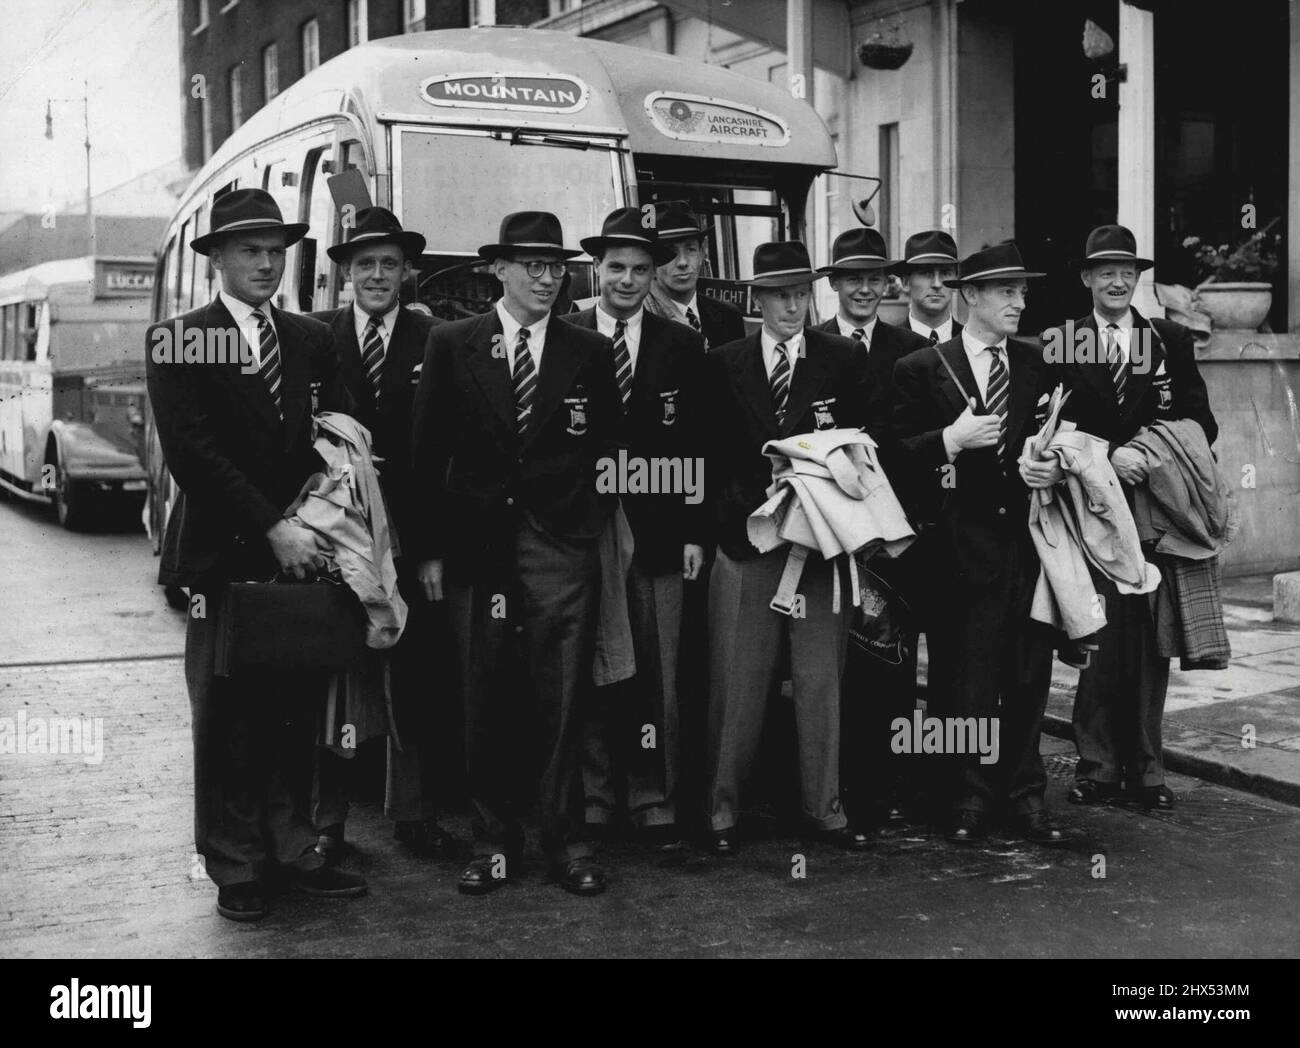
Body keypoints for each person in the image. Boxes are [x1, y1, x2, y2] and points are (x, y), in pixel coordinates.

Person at [145, 188, 365, 921]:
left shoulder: (310, 338)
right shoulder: (183, 338)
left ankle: (294, 847)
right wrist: (274, 526)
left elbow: (337, 435)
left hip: (302, 553)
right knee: (226, 713)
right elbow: (196, 455)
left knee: (292, 709)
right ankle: (235, 864)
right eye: (250, 251)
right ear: (217, 261)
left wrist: (312, 520)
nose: (267, 263)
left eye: (276, 251)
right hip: (223, 555)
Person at [410, 211, 621, 896]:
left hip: (561, 546)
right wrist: (431, 553)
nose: (545, 276)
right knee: (484, 698)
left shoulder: (586, 349)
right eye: (529, 264)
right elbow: (426, 456)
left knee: (563, 700)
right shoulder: (452, 343)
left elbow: (608, 450)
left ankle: (568, 843)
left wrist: (583, 523)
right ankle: (494, 843)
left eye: (555, 265)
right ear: (496, 269)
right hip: (480, 548)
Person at [891, 242, 1070, 846]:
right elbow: (891, 460)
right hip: (955, 555)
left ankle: (1024, 796)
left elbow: (1060, 439)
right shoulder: (921, 367)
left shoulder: (1037, 364)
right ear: (970, 296)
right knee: (960, 682)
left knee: (1026, 678)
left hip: (1024, 550)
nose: (1020, 302)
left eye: (1022, 291)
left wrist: (1052, 469)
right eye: (1007, 292)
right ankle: (963, 797)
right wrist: (948, 439)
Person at [702, 240, 874, 857]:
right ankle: (723, 811)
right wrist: (729, 526)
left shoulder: (844, 359)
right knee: (737, 683)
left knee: (821, 680)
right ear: (758, 298)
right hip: (748, 543)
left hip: (820, 547)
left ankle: (824, 809)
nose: (792, 305)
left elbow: (863, 448)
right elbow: (708, 454)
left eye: (801, 292)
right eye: (779, 294)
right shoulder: (723, 361)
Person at [1045, 224, 1218, 811]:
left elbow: (1202, 423)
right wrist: (1098, 457)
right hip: (1088, 510)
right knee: (1097, 631)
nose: (1118, 281)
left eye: (1128, 272)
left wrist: (1148, 453)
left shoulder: (1168, 338)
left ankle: (1146, 768)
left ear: (1138, 279)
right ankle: (1095, 766)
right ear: (1088, 279)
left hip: (1152, 511)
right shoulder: (1063, 342)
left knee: (1148, 640)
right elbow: (1047, 424)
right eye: (1106, 271)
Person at [307, 207, 461, 863]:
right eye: (365, 263)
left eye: (390, 264)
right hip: (339, 535)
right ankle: (326, 823)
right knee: (337, 675)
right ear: (346, 271)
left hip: (411, 540)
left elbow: (451, 455)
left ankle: (414, 816)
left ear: (407, 272)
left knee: (416, 677)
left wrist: (429, 549)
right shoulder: (315, 336)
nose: (377, 275)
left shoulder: (440, 340)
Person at [564, 207, 707, 852]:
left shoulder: (680, 344)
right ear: (597, 267)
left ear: (654, 275)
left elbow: (697, 447)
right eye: (616, 267)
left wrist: (692, 532)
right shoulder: (564, 334)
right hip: (583, 530)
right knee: (594, 666)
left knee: (657, 674)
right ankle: (594, 803)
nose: (627, 279)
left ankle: (655, 804)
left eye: (640, 269)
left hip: (657, 531)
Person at [814, 227, 930, 830]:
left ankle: (884, 786)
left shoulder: (909, 349)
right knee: (830, 661)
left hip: (892, 532)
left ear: (887, 284)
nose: (863, 289)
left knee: (890, 658)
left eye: (873, 278)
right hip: (829, 533)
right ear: (833, 284)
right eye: (851, 278)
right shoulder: (810, 347)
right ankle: (829, 785)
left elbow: (913, 441)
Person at [644, 200, 747, 351]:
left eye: (690, 249)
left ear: (702, 252)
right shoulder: (639, 318)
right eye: (670, 252)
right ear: (652, 260)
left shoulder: (729, 317)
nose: (683, 262)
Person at [892, 230, 963, 344]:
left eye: (945, 273)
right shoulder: (888, 344)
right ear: (906, 282)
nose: (937, 284)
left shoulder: (971, 341)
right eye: (926, 273)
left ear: (956, 282)